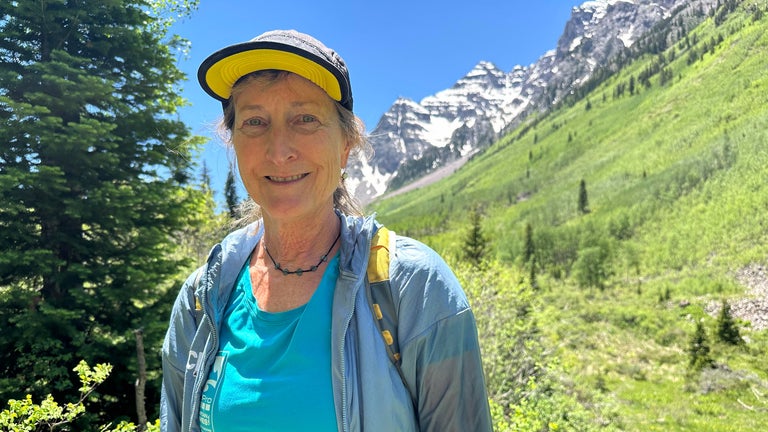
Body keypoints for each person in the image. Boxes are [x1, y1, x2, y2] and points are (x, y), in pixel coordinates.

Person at [160, 29, 492, 432]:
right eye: (254, 122)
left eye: (305, 119)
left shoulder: (414, 287)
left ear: (346, 145)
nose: (279, 149)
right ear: (234, 144)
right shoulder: (202, 300)